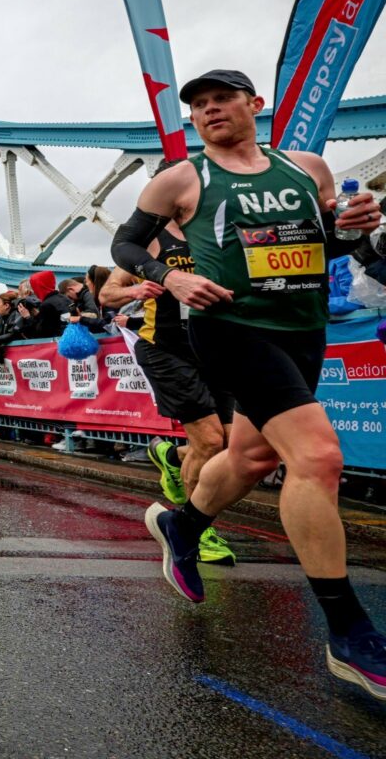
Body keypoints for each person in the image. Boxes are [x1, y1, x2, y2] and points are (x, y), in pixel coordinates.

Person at [112, 68, 385, 698]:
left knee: (253, 454)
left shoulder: (306, 168)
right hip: (228, 326)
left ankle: (182, 525)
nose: (209, 111)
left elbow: (324, 245)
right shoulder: (182, 179)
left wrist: (354, 230)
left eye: (222, 99)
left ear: (253, 105)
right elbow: (126, 245)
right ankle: (348, 632)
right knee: (316, 457)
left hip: (301, 325)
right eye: (198, 106)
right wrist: (169, 276)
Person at [100, 168, 237, 566]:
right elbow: (107, 294)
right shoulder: (149, 240)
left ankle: (171, 457)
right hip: (165, 348)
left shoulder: (216, 231)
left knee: (230, 443)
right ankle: (197, 530)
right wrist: (136, 288)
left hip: (215, 348)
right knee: (210, 442)